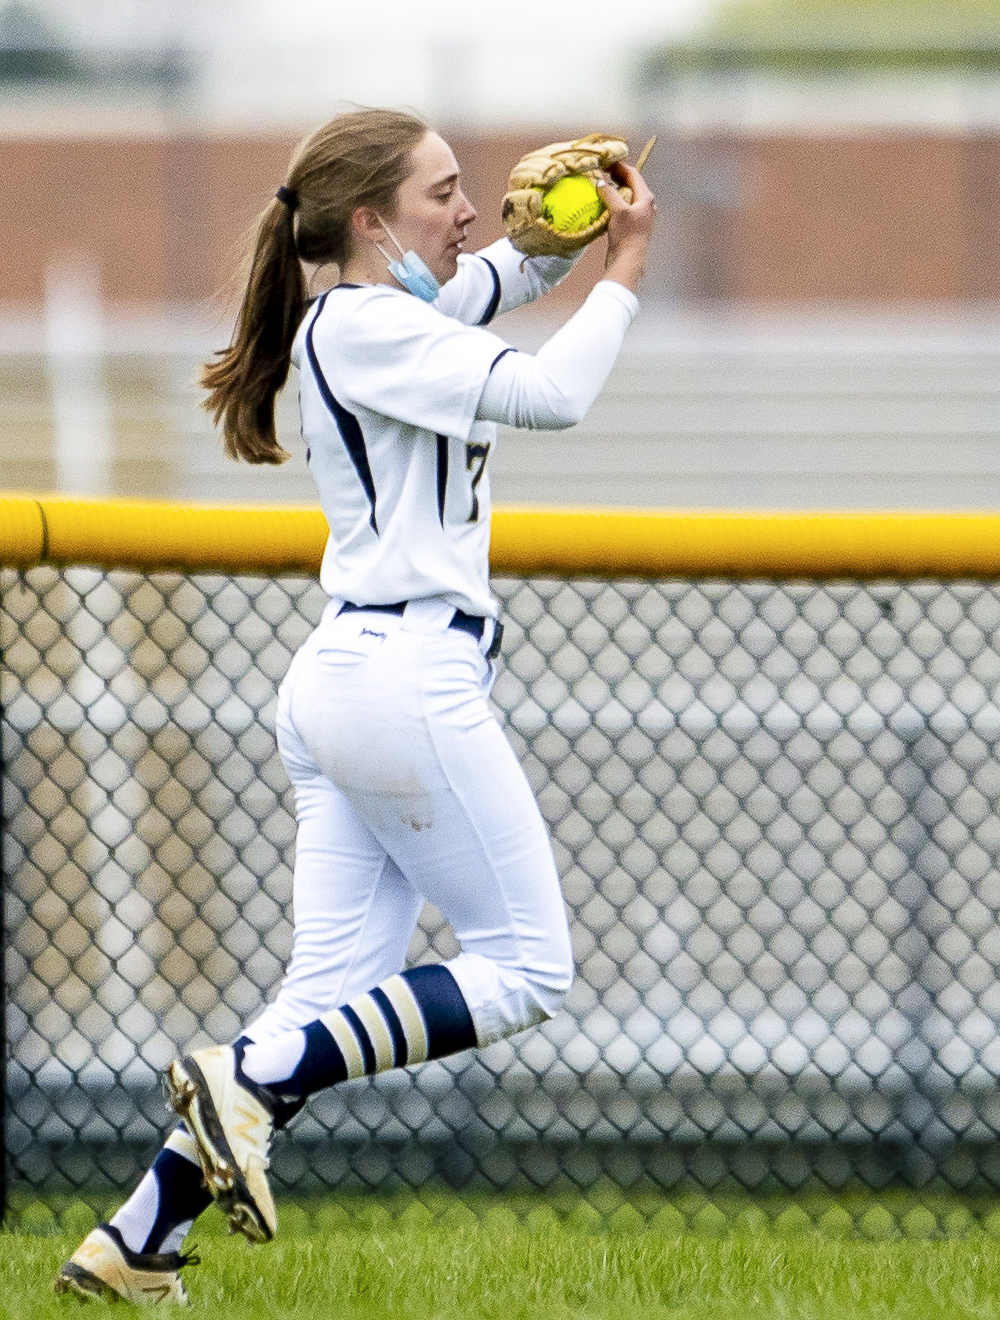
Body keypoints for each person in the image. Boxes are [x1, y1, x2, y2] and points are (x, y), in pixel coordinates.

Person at [54, 108, 655, 1304]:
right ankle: (249, 1075)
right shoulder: (369, 323)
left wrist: (565, 236)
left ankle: (138, 1242)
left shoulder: (381, 314)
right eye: (444, 191)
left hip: (359, 676)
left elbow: (489, 280)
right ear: (372, 221)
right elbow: (551, 395)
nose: (472, 206)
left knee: (322, 998)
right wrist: (628, 270)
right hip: (403, 680)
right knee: (529, 969)